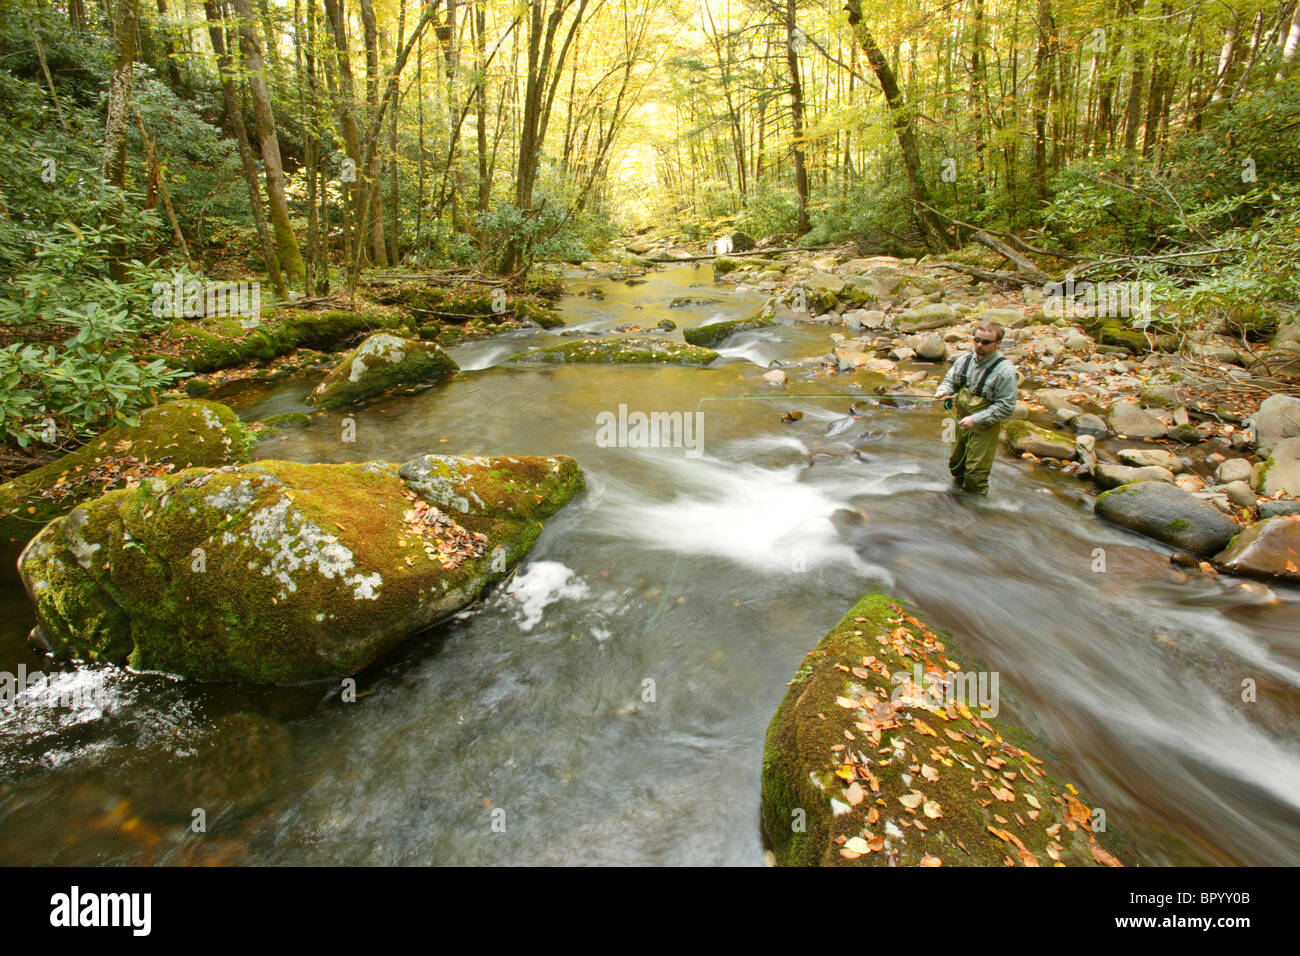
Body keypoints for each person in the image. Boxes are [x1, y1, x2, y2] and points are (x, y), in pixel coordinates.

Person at [933, 320, 1018, 495]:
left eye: (985, 342)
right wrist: (944, 391)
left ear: (998, 343)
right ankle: (956, 500)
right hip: (961, 419)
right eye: (976, 340)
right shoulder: (965, 360)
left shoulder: (1005, 371)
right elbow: (951, 381)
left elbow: (1006, 406)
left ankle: (975, 509)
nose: (979, 345)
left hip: (984, 426)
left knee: (975, 475)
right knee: (956, 466)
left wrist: (976, 419)